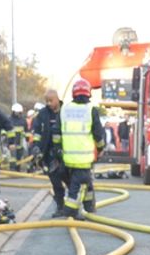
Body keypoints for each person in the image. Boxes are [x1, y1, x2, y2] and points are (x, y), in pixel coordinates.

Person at [61, 77, 105, 218]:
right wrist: (100, 148)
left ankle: (89, 206)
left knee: (87, 182)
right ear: (88, 93)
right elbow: (98, 134)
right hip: (83, 159)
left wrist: (57, 151)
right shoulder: (91, 110)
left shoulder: (65, 109)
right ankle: (70, 211)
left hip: (67, 158)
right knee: (77, 187)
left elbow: (57, 132)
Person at [32, 88, 71, 217]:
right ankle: (60, 207)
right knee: (55, 181)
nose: (48, 103)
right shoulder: (43, 114)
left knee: (70, 180)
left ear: (57, 99)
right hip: (49, 154)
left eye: (50, 100)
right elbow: (37, 132)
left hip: (66, 153)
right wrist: (36, 147)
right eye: (46, 101)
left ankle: (73, 206)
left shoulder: (67, 111)